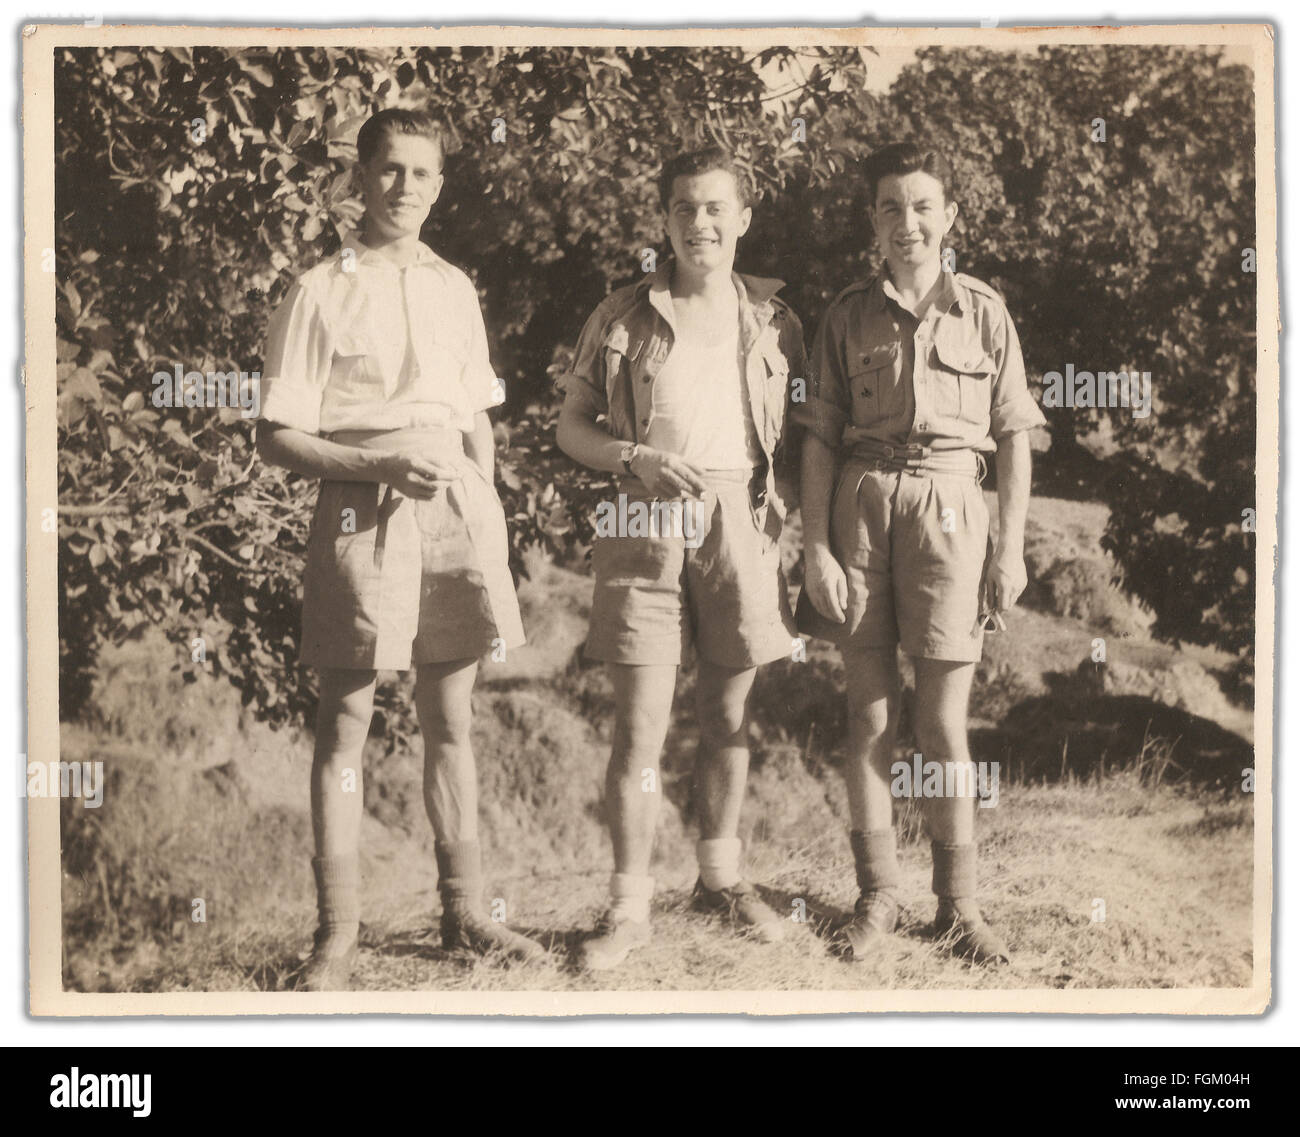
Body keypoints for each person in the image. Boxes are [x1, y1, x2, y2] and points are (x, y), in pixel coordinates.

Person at [256, 107, 545, 991]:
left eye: (422, 173)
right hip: (359, 508)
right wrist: (377, 460)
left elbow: (474, 414)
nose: (405, 187)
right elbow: (276, 436)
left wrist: (484, 501)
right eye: (389, 170)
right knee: (344, 722)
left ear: (439, 184)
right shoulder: (318, 289)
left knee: (450, 720)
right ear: (358, 175)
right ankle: (337, 935)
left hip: (455, 509)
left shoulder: (456, 286)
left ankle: (465, 914)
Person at [556, 147, 807, 971]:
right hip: (643, 515)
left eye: (714, 208)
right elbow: (572, 427)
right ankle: (628, 908)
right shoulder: (621, 315)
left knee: (729, 716)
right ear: (663, 220)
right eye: (682, 209)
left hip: (740, 518)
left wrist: (794, 532)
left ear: (742, 218)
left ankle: (720, 878)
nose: (699, 223)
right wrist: (633, 457)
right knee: (639, 727)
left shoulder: (778, 323)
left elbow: (802, 439)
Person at [796, 141, 1045, 966]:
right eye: (892, 208)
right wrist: (817, 548)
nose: (909, 223)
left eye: (923, 206)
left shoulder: (983, 311)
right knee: (868, 715)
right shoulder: (845, 314)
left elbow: (1014, 438)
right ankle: (876, 894)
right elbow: (821, 440)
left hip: (951, 512)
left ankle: (958, 907)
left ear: (950, 217)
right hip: (862, 507)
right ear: (873, 220)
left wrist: (1008, 551)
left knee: (941, 721)